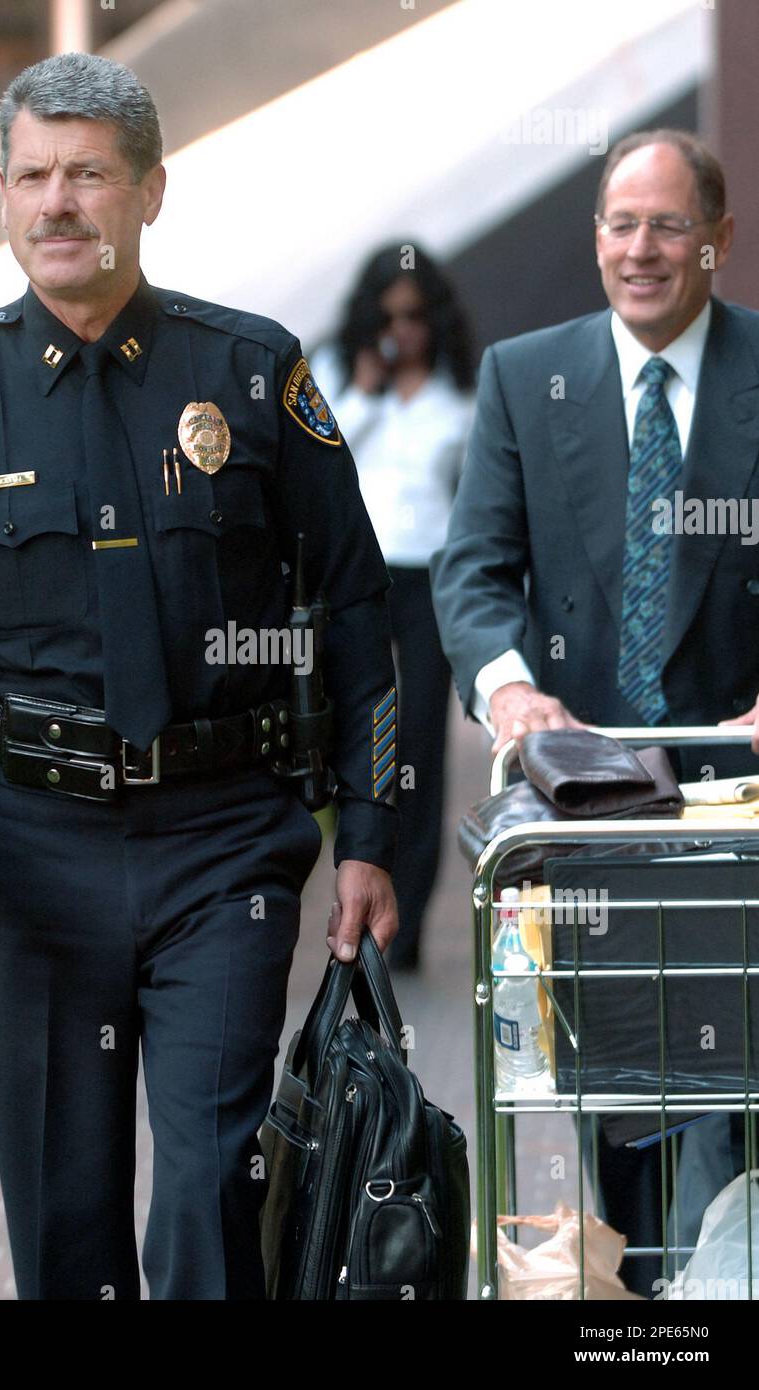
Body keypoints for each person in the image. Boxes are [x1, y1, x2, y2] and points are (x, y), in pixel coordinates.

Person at [0, 51, 399, 1301]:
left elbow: (354, 600)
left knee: (207, 1185)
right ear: (4, 199)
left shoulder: (250, 373)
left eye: (86, 175)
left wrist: (372, 830)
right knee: (65, 1218)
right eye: (30, 177)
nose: (55, 203)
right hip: (28, 857)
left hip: (222, 841)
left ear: (149, 192)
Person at [431, 127, 759, 1297]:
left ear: (714, 240)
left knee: (729, 1105)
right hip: (589, 809)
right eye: (620, 223)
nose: (640, 248)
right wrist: (508, 684)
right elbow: (469, 571)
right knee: (615, 1102)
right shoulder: (526, 375)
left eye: (668, 224)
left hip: (734, 810)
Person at [310, 245, 475, 970]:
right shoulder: (335, 377)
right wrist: (366, 391)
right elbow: (319, 464)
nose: (400, 329)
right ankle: (340, 894)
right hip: (352, 580)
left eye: (413, 315)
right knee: (343, 730)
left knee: (416, 743)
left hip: (427, 577)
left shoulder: (459, 393)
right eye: (387, 315)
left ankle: (400, 928)